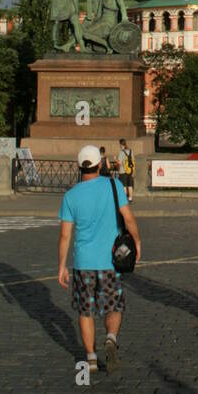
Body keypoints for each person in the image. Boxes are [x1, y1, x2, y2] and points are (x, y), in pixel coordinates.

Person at [58, 144, 141, 374]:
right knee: (114, 306)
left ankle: (91, 358)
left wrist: (62, 266)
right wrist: (137, 241)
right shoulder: (113, 185)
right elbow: (129, 218)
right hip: (110, 262)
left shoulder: (70, 196)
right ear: (100, 164)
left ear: (79, 167)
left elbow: (65, 235)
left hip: (83, 263)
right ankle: (111, 338)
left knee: (86, 311)